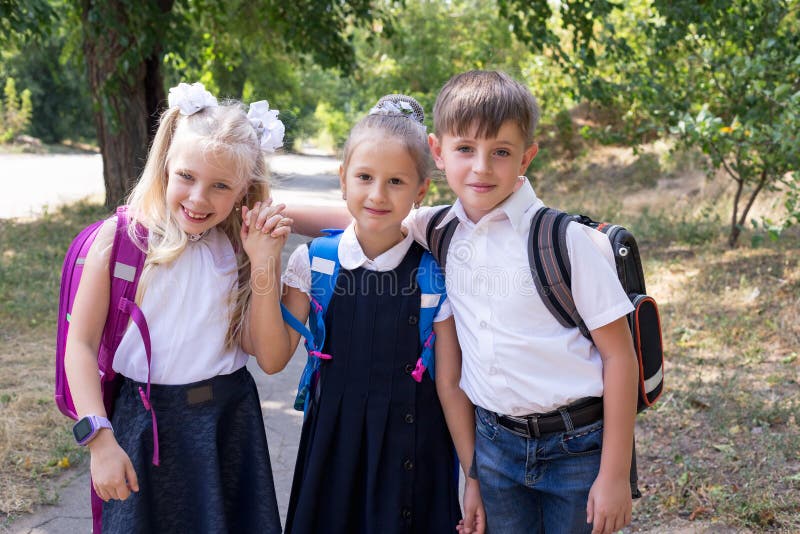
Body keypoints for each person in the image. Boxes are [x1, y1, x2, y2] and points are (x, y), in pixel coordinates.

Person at [286, 71, 639, 534]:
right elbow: (368, 214)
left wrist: (614, 476)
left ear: (526, 157)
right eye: (465, 149)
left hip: (576, 445)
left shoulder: (565, 241)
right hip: (496, 449)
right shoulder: (439, 228)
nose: (481, 168)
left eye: (501, 152)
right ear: (438, 153)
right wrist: (258, 212)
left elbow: (620, 356)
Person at [246, 94, 485, 534]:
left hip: (416, 456)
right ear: (343, 180)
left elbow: (450, 385)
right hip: (333, 455)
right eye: (364, 177)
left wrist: (473, 476)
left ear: (421, 190)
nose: (377, 194)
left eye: (396, 181)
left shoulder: (436, 274)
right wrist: (264, 265)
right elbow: (272, 359)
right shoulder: (314, 263)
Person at [64, 82, 289, 533]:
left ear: (244, 190)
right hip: (141, 426)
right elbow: (81, 346)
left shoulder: (241, 250)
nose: (198, 198)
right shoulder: (121, 241)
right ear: (166, 164)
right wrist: (99, 440)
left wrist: (265, 264)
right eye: (186, 176)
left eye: (221, 185)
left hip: (228, 423)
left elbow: (270, 358)